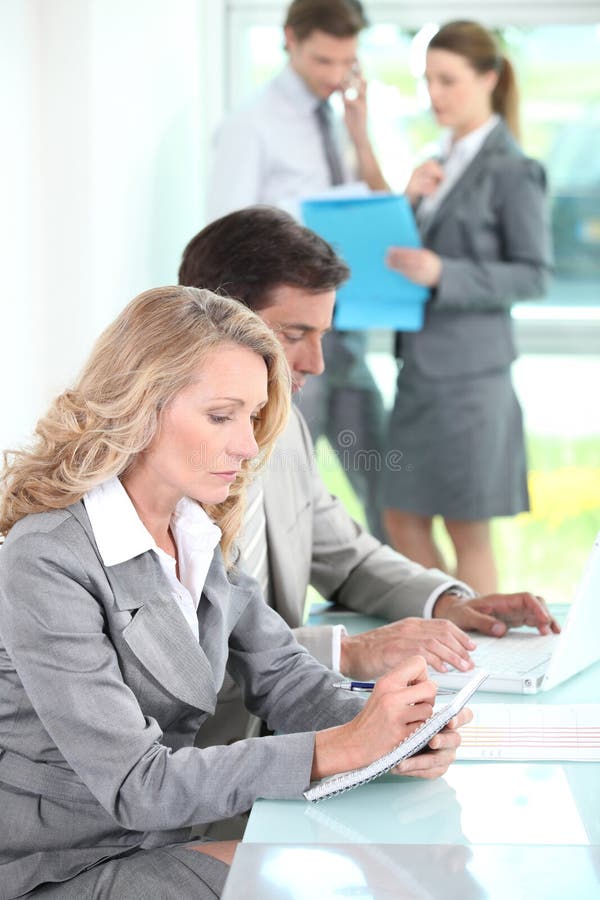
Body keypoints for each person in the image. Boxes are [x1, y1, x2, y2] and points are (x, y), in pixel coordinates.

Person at [0, 286, 469, 899]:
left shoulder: (192, 529)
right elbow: (139, 785)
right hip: (60, 865)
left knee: (390, 865)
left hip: (157, 843)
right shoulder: (47, 559)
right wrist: (347, 745)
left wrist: (398, 733)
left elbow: (288, 680)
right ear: (140, 406)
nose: (248, 445)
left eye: (251, 417)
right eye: (222, 416)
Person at [178, 206, 559, 750]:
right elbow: (184, 646)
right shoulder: (163, 462)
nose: (316, 361)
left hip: (288, 728)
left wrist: (445, 600)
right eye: (294, 334)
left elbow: (349, 557)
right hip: (204, 756)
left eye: (323, 335)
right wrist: (347, 653)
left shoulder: (286, 430)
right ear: (215, 319)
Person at [378, 20, 552, 593]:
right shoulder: (436, 162)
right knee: (400, 515)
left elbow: (533, 274)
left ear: (490, 79)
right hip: (420, 374)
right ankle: (455, 631)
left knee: (466, 528)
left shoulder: (514, 169)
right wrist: (407, 201)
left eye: (449, 80)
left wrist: (443, 272)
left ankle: (475, 657)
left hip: (471, 378)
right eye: (428, 80)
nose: (435, 95)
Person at [206, 0, 387, 539]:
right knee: (283, 477)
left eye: (345, 63)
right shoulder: (250, 125)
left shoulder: (341, 121)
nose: (334, 77)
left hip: (347, 327)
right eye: (321, 61)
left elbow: (377, 211)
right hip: (285, 335)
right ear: (289, 40)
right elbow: (226, 237)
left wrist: (360, 134)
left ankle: (397, 595)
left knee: (383, 475)